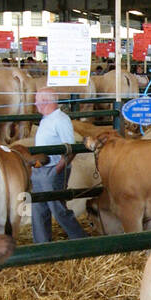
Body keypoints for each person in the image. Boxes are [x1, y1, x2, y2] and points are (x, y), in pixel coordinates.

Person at [30, 87, 88, 244]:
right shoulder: (46, 119)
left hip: (53, 170)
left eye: (38, 100)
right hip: (40, 170)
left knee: (58, 209)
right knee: (38, 208)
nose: (35, 103)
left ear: (46, 102)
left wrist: (58, 169)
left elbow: (71, 148)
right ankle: (42, 245)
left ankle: (81, 241)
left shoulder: (61, 120)